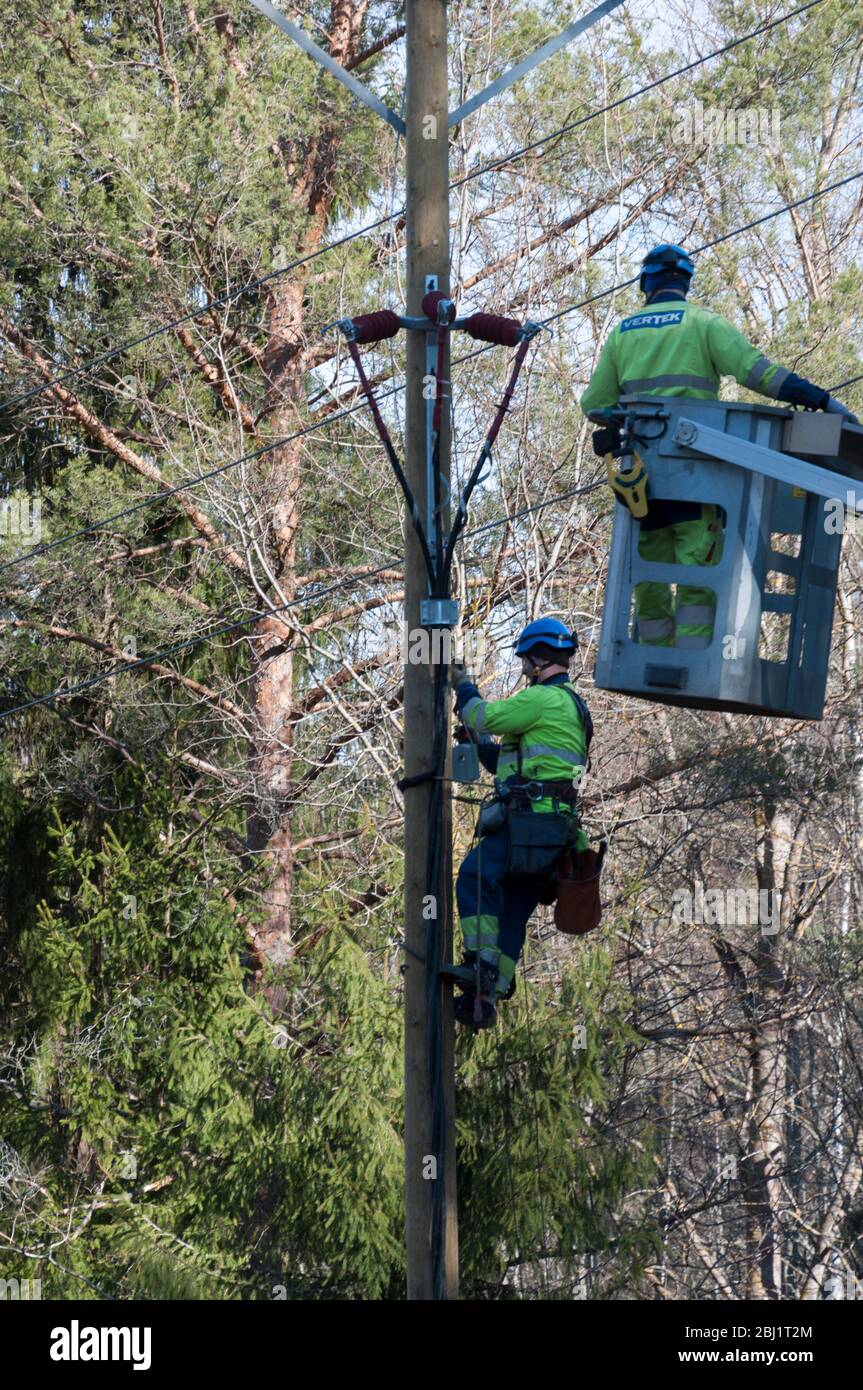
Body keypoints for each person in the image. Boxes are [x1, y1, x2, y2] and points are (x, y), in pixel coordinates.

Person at [580, 242, 859, 647]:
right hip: (699, 474)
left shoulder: (623, 333)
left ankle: (654, 655)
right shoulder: (704, 323)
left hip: (642, 480)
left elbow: (594, 405)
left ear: (646, 283)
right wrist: (821, 399)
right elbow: (758, 373)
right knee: (698, 570)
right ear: (686, 283)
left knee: (650, 573)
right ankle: (692, 657)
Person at [449, 618, 592, 1030]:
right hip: (554, 833)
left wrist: (462, 683)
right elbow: (502, 763)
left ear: (537, 658)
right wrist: (478, 745)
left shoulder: (544, 699)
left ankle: (480, 965)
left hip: (528, 825)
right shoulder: (573, 708)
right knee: (512, 907)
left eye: (525, 661)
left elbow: (482, 715)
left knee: (475, 877)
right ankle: (486, 994)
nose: (523, 668)